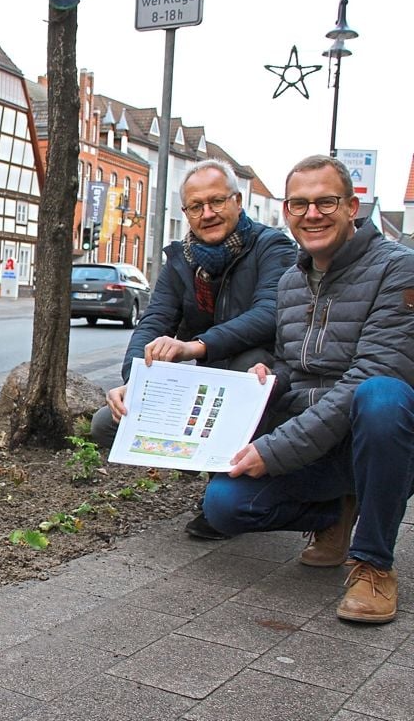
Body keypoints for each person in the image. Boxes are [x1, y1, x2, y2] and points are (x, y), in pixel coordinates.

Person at [202, 155, 414, 624]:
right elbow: (294, 363)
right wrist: (265, 376)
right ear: (287, 210)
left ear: (352, 206)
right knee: (222, 507)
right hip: (315, 445)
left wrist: (274, 451)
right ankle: (333, 512)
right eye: (299, 205)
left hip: (376, 439)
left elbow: (372, 371)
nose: (311, 215)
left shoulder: (400, 269)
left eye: (325, 202)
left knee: (382, 396)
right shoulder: (291, 281)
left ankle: (374, 564)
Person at [91, 159, 296, 538]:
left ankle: (225, 488)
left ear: (237, 200)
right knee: (108, 423)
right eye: (196, 206)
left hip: (261, 374)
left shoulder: (272, 246)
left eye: (217, 202)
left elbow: (270, 314)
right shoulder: (181, 259)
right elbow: (154, 320)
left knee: (248, 365)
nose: (208, 213)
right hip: (206, 376)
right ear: (185, 212)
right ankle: (211, 470)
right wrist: (134, 379)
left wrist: (194, 347)